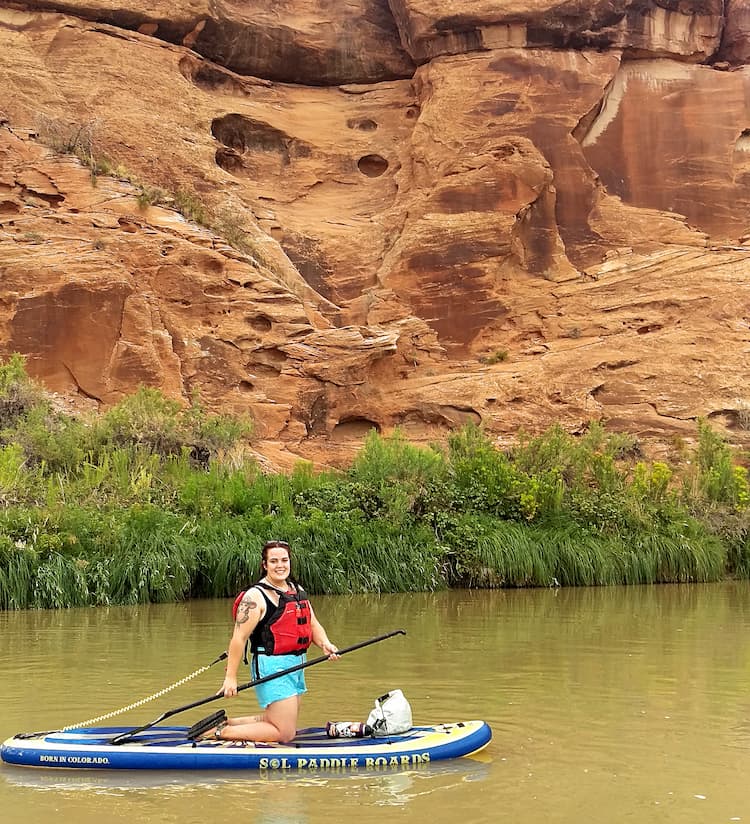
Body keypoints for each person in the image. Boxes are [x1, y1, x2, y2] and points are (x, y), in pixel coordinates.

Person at [194, 539, 339, 743]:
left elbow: (313, 624)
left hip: (296, 664)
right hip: (272, 665)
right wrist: (231, 678)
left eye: (284, 560)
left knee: (279, 720)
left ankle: (226, 724)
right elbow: (239, 638)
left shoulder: (295, 589)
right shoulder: (255, 597)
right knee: (285, 733)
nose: (280, 565)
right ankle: (218, 734)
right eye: (274, 561)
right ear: (265, 565)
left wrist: (325, 644)